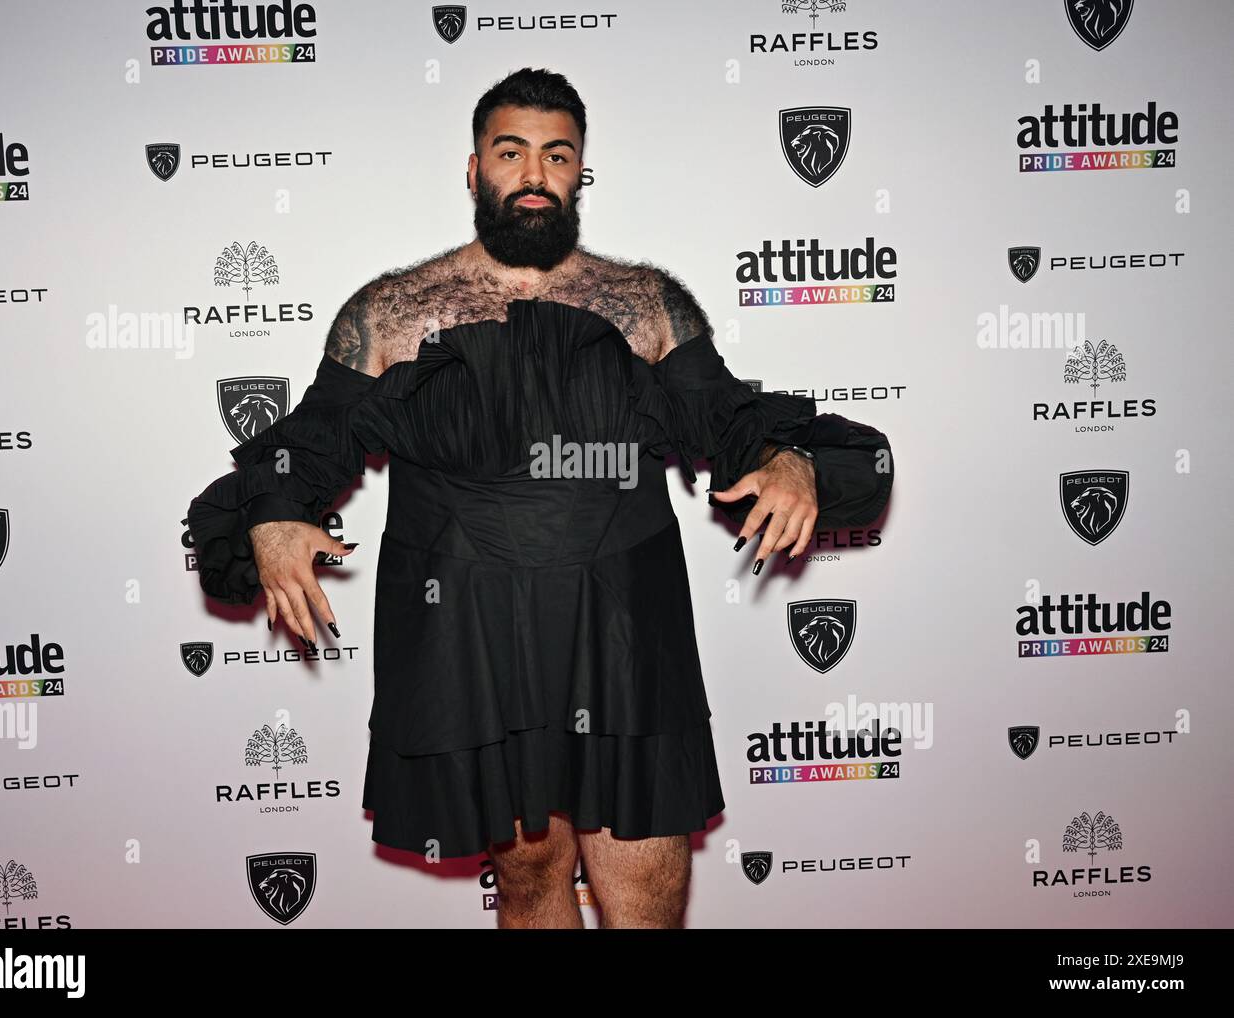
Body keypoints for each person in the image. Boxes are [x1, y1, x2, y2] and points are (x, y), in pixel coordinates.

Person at [187, 67, 894, 929]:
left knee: (645, 888)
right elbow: (310, 444)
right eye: (510, 151)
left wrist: (794, 465)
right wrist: (272, 517)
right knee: (526, 881)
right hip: (468, 628)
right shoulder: (391, 312)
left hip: (624, 622)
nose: (533, 174)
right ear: (475, 168)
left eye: (556, 155)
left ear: (579, 171)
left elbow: (731, 423)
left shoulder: (646, 305)